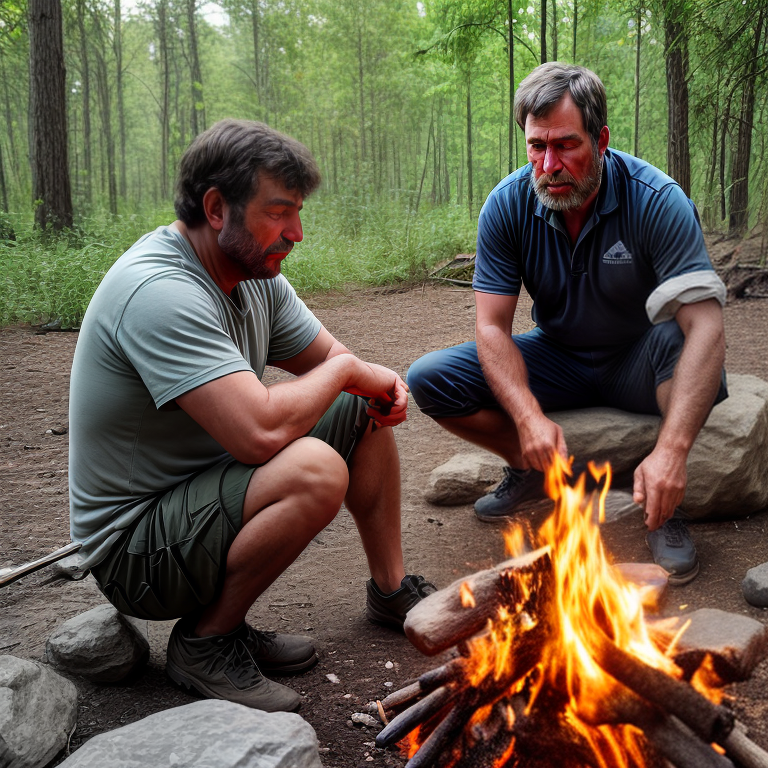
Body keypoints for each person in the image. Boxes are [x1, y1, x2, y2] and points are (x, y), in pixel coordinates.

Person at [68, 119, 435, 713]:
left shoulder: (254, 274)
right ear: (217, 208)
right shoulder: (159, 289)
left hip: (202, 494)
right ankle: (206, 642)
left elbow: (334, 361)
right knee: (314, 467)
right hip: (134, 547)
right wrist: (349, 375)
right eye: (278, 212)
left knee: (353, 406)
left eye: (296, 212)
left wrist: (369, 384)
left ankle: (391, 591)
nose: (295, 232)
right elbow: (260, 429)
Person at [407, 63, 727, 586]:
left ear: (600, 140)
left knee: (679, 334)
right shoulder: (508, 205)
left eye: (565, 146)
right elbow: (491, 326)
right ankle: (537, 470)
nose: (549, 165)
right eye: (536, 147)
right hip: (558, 356)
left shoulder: (657, 200)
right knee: (429, 377)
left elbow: (708, 324)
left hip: (640, 359)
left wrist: (671, 452)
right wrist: (528, 418)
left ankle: (665, 505)